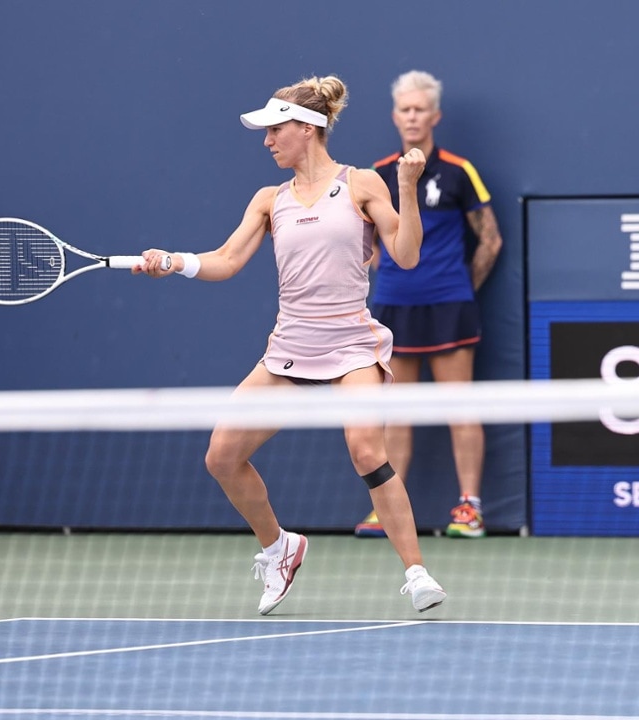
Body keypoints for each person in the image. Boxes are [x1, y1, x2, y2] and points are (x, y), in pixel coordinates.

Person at [133, 75, 446, 615]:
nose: (267, 140)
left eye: (275, 130)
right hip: (291, 348)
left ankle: (416, 572)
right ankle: (279, 548)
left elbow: (408, 254)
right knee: (222, 457)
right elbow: (227, 260)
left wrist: (409, 188)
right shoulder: (268, 200)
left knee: (367, 451)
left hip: (352, 345)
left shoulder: (362, 185)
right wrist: (176, 262)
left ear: (307, 129)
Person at [354, 70, 503, 540]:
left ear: (434, 116)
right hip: (395, 308)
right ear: (395, 117)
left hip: (449, 306)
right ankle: (389, 512)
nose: (413, 116)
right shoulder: (377, 174)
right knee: (397, 413)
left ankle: (469, 509)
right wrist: (388, 269)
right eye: (405, 109)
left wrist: (460, 287)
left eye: (420, 109)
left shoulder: (459, 171)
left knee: (459, 407)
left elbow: (491, 239)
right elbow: (364, 238)